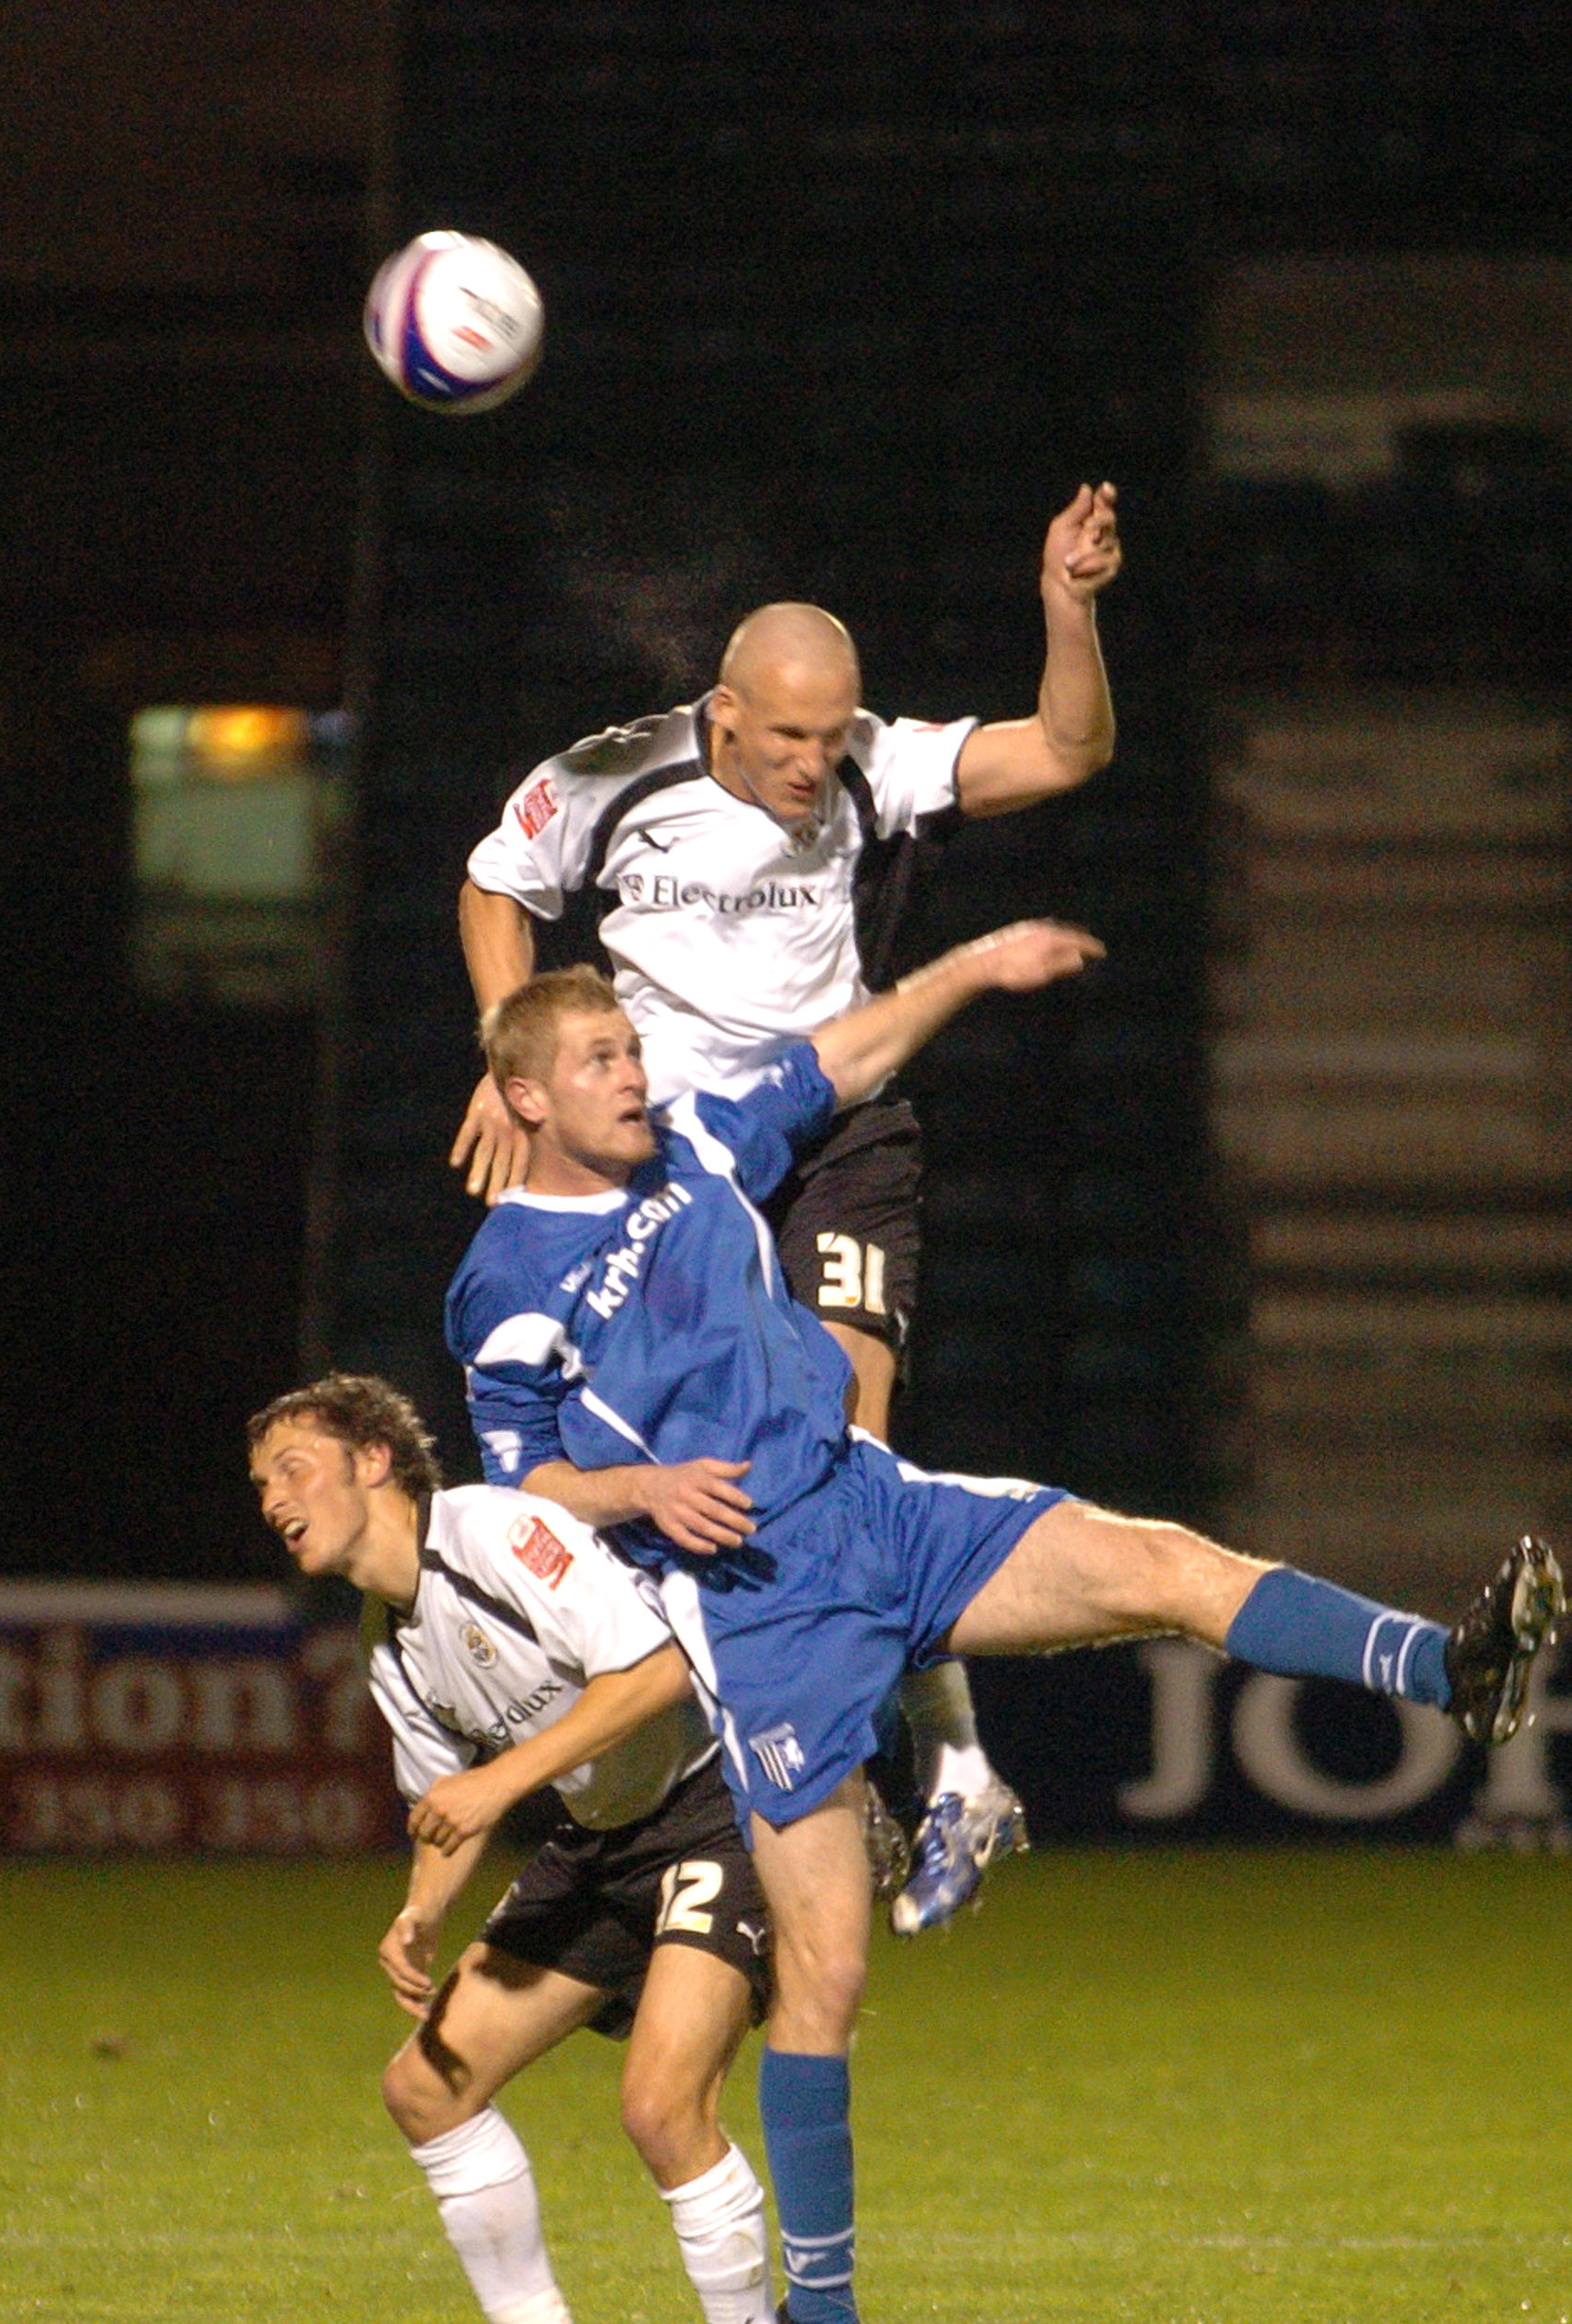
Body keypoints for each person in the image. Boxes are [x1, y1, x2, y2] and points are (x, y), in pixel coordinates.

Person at [444, 932, 1569, 2324]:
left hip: (879, 1506)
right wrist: (639, 1482)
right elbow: (518, 1497)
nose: (635, 1077)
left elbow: (850, 1052)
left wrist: (976, 964)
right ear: (521, 1094)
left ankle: (1456, 1670)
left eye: (634, 1053)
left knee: (1160, 1563)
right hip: (763, 1613)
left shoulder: (701, 1134)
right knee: (827, 1976)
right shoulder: (501, 1283)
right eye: (599, 1063)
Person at [450, 482, 1125, 1934]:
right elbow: (492, 884)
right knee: (768, 1489)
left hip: (836, 1129)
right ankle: (849, 1771)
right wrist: (513, 1060)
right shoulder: (612, 777)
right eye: (790, 739)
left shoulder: (879, 765)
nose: (819, 765)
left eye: (836, 734)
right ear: (724, 711)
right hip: (675, 1170)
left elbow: (1067, 749)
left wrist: (1065, 608)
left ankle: (949, 1769)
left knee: (848, 1456)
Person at [247, 1372, 808, 2324]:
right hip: (600, 1842)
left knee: (660, 2105)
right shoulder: (389, 1636)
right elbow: (442, 1803)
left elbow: (656, 1673)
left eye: (293, 1466)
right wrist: (421, 1914)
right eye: (261, 1483)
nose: (274, 1497)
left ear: (374, 1460)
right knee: (425, 2087)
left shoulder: (500, 1531)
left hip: (720, 1810)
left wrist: (504, 1784)